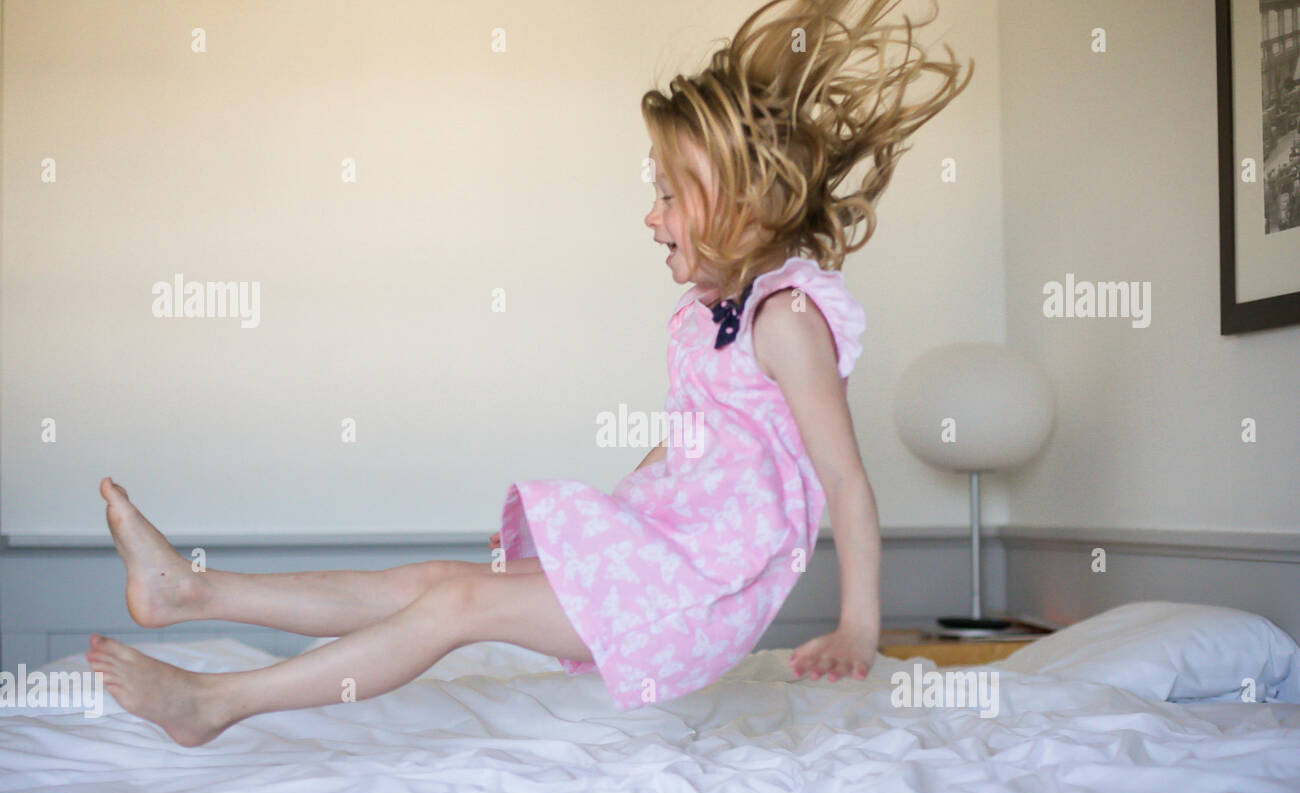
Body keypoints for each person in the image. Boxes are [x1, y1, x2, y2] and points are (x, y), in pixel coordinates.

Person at [87, 0, 973, 745]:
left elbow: (845, 481)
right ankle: (195, 589)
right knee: (435, 583)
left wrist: (860, 623)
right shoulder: (708, 318)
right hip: (662, 559)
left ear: (737, 202)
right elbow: (690, 454)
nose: (649, 214)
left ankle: (214, 703)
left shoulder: (786, 320)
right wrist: (588, 532)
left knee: (456, 605)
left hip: (695, 596)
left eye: (668, 192)